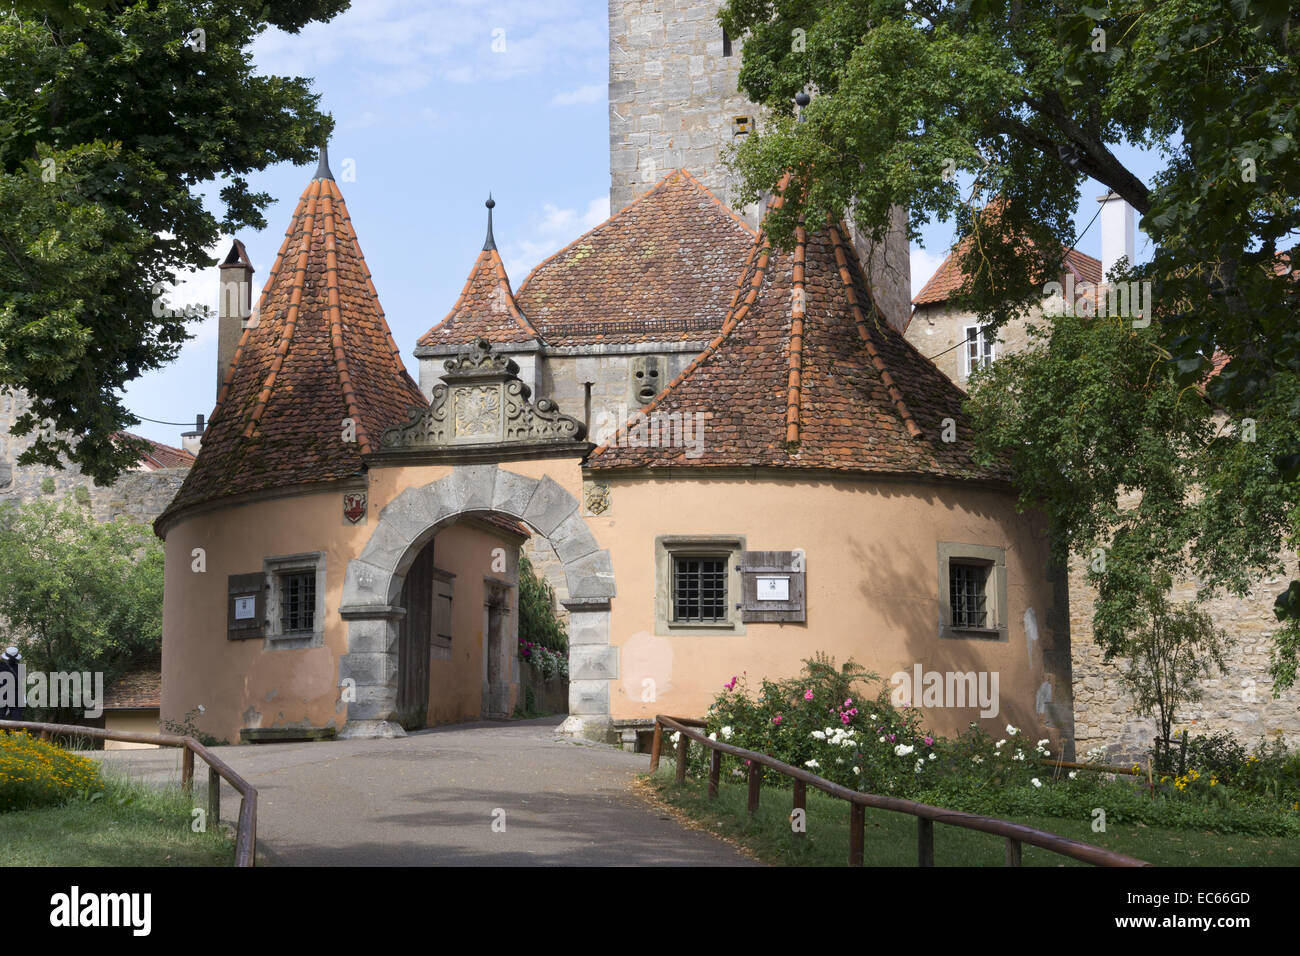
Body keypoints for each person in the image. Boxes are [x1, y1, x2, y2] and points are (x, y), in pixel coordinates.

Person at [0, 646, 22, 722]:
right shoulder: (20, 668)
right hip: (16, 697)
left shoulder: (1, 667)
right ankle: (17, 733)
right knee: (17, 721)